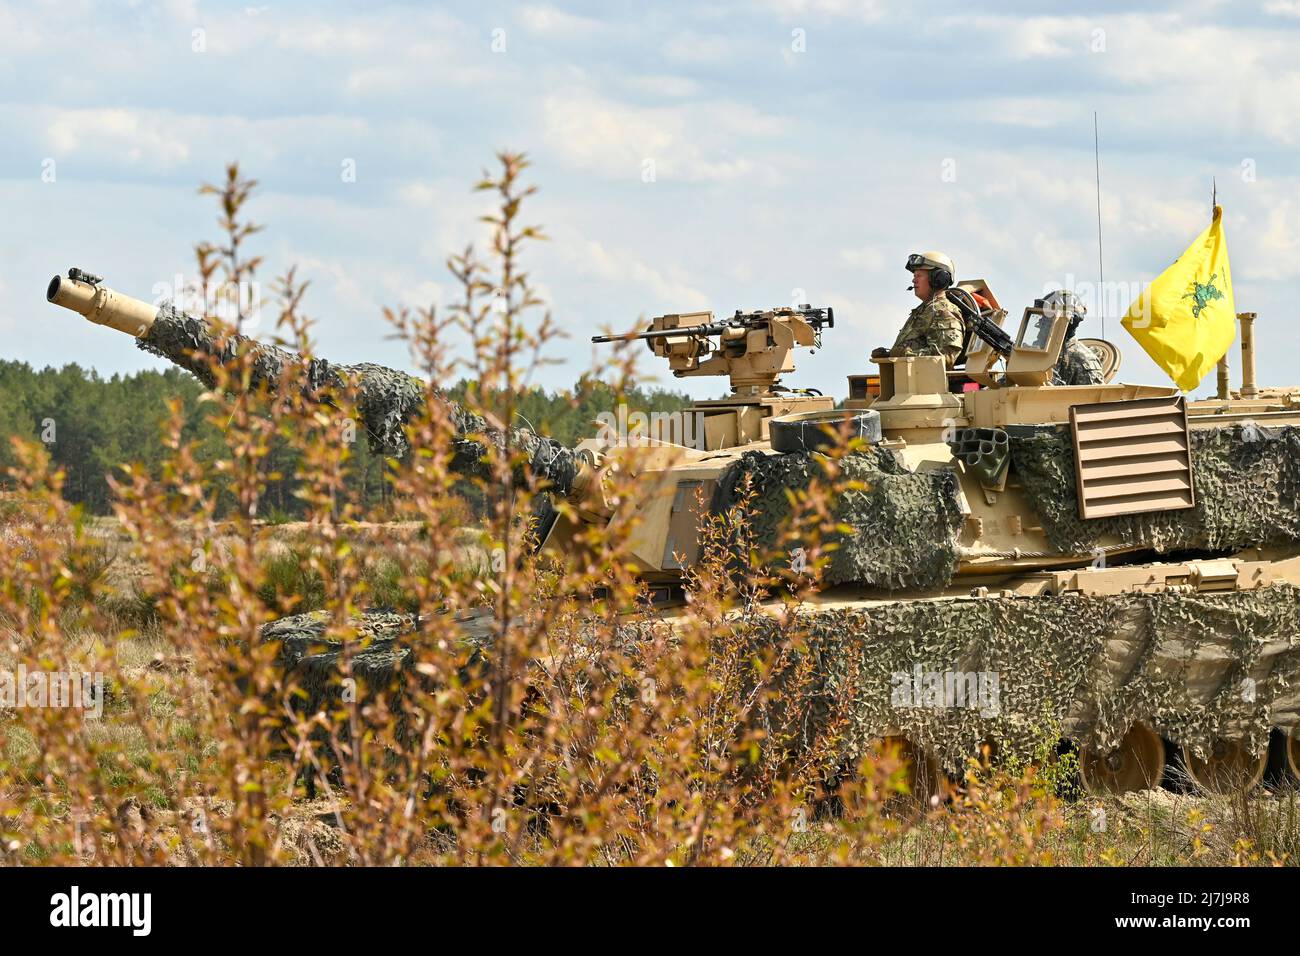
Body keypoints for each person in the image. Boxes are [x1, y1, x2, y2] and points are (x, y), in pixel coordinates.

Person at [873, 252, 966, 367]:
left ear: (938, 278)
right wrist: (889, 356)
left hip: (930, 384)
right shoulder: (924, 310)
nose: (914, 280)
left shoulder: (944, 312)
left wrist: (905, 355)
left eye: (919, 275)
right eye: (914, 276)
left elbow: (947, 356)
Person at [1044, 290, 1105, 386]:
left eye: (1047, 318)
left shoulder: (1082, 358)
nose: (1041, 324)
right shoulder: (1040, 350)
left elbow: (1095, 398)